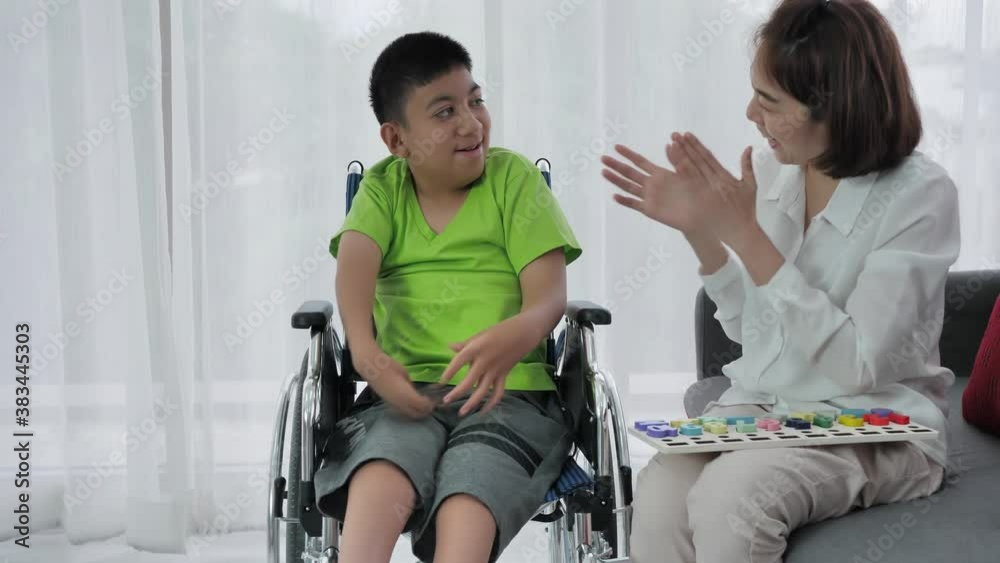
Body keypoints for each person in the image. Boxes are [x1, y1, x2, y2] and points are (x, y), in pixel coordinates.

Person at [601, 1, 960, 561]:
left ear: (834, 109)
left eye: (769, 101)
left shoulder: (919, 195)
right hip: (775, 409)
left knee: (730, 498)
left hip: (878, 424)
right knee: (662, 489)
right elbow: (755, 334)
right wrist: (702, 233)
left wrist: (747, 238)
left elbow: (859, 365)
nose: (750, 113)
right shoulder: (776, 171)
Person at [315, 32, 582, 563]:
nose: (470, 122)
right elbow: (354, 265)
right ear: (397, 141)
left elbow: (549, 298)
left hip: (511, 396)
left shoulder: (514, 180)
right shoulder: (383, 190)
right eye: (444, 112)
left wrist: (518, 333)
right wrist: (367, 354)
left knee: (468, 494)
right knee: (381, 475)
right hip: (405, 393)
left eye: (475, 100)